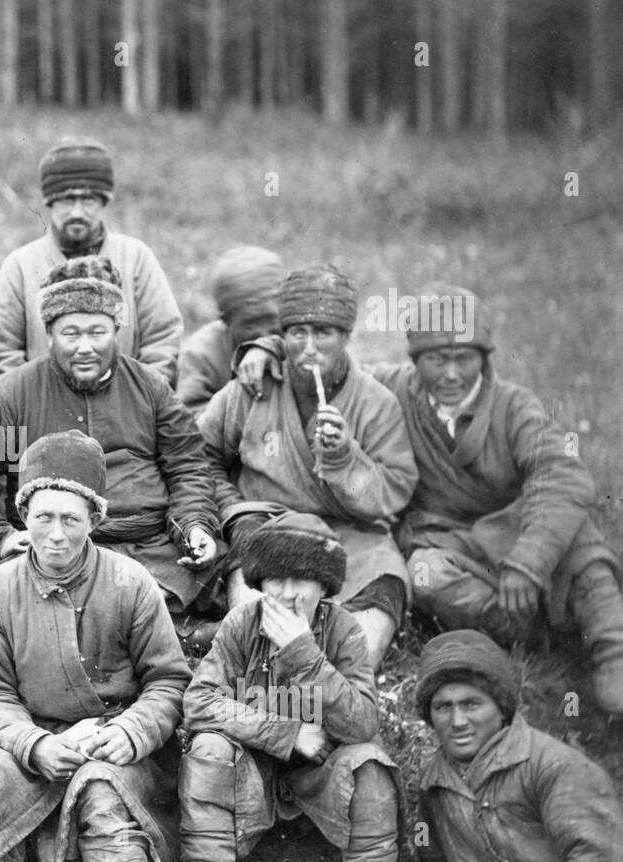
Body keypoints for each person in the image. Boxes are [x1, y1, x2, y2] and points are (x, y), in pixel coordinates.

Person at [237, 281, 623, 712]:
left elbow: (562, 475)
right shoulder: (394, 390)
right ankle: (536, 634)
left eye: (464, 359)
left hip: (519, 533)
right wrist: (268, 348)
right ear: (416, 361)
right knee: (425, 575)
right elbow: (329, 365)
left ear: (484, 358)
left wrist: (529, 562)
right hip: (449, 544)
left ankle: (612, 650)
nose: (451, 374)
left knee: (581, 546)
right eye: (437, 359)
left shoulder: (516, 407)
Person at [0, 431, 191, 862]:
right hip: (33, 743)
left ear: (95, 519)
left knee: (104, 800)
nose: (56, 534)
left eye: (72, 519)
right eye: (43, 518)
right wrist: (34, 745)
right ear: (23, 516)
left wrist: (130, 732)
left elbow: (168, 681)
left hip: (112, 745)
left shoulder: (130, 582)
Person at [0, 256, 220, 617]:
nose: (85, 347)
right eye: (71, 333)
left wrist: (194, 525)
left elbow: (189, 467)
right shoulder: (11, 394)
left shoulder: (150, 387)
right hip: (54, 550)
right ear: (49, 335)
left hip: (154, 549)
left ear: (116, 331)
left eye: (97, 332)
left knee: (231, 564)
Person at [197, 263, 418, 670]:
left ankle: (350, 678)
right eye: (298, 332)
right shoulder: (251, 388)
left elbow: (391, 495)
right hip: (266, 524)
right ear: (281, 335)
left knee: (385, 578)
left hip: (347, 531)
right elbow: (200, 456)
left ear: (346, 337)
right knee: (251, 595)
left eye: (324, 333)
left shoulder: (375, 403)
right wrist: (234, 507)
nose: (310, 347)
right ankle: (254, 663)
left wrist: (344, 459)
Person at [179, 512, 400, 862]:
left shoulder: (343, 630)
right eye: (275, 579)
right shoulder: (241, 624)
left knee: (370, 766)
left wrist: (305, 655)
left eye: (301, 579)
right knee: (208, 748)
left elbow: (362, 724)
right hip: (249, 779)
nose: (286, 593)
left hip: (322, 781)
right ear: (260, 583)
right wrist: (289, 732)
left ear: (324, 585)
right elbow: (199, 702)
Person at [415, 629, 623, 862]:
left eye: (471, 704)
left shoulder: (556, 767)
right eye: (443, 707)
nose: (457, 721)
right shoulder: (434, 782)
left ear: (501, 708)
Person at [0, 136, 183, 386]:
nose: (77, 212)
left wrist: (142, 397)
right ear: (50, 203)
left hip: (125, 407)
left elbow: (163, 341)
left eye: (88, 200)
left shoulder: (136, 259)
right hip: (42, 409)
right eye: (66, 200)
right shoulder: (21, 266)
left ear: (103, 202)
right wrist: (28, 403)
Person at [177, 246, 285, 418]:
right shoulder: (201, 355)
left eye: (271, 319)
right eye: (250, 324)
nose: (264, 333)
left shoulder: (300, 339)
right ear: (226, 321)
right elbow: (189, 421)